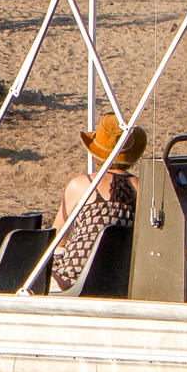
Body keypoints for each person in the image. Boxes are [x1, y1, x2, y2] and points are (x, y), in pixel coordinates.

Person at [49, 114, 143, 292]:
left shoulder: (82, 184)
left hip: (76, 280)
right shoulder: (141, 187)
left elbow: (56, 238)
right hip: (120, 279)